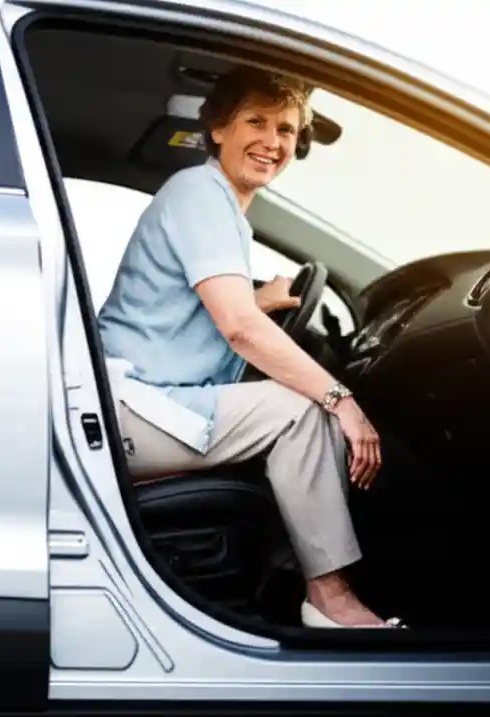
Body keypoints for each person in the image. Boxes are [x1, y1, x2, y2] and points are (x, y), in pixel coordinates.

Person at [98, 65, 400, 629]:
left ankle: (280, 589)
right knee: (301, 412)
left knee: (289, 405)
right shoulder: (200, 193)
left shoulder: (219, 207)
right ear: (217, 128)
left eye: (286, 129)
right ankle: (329, 600)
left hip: (147, 399)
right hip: (130, 406)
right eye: (255, 122)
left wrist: (265, 299)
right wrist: (343, 399)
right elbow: (237, 328)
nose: (273, 141)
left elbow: (212, 312)